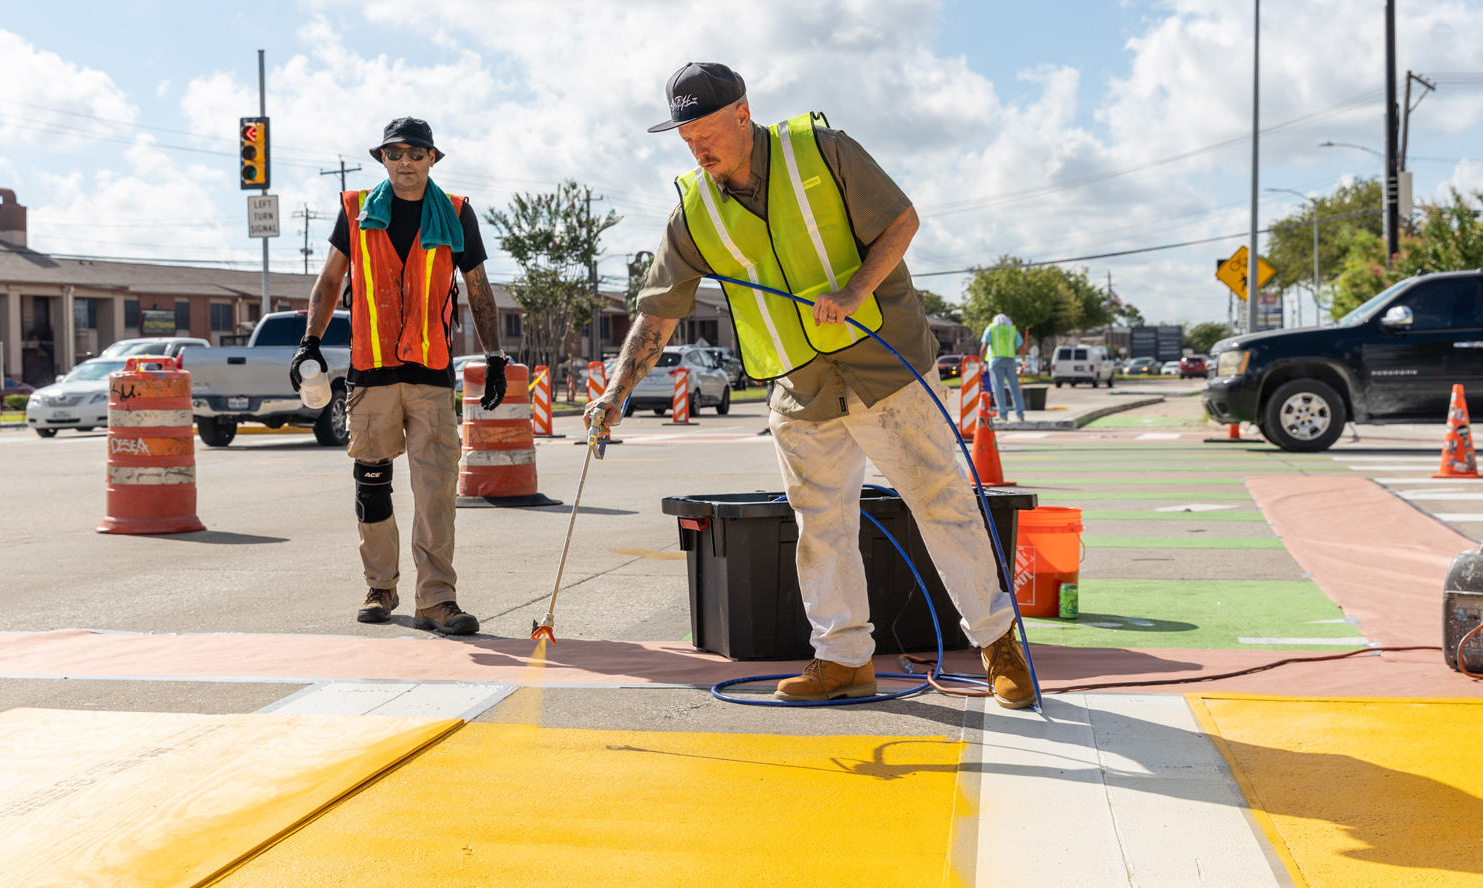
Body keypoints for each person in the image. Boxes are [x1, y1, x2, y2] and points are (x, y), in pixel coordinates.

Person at [584, 63, 1036, 708]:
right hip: (800, 386)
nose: (697, 148)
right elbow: (658, 311)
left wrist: (854, 291)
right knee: (820, 523)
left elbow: (901, 221)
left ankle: (998, 646)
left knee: (942, 502)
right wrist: (615, 393)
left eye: (706, 132)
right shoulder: (695, 210)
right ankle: (843, 659)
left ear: (743, 114)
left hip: (885, 367)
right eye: (685, 138)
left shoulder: (823, 152)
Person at [290, 117, 507, 636]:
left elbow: (478, 287)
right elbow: (330, 280)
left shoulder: (456, 212)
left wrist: (496, 356)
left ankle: (437, 600)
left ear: (432, 158)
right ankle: (379, 588)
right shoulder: (356, 210)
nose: (405, 161)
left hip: (431, 373)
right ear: (382, 158)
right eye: (395, 153)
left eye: (415, 152)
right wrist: (309, 342)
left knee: (436, 492)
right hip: (371, 373)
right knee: (373, 487)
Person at [982, 313, 1025, 422]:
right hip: (1010, 361)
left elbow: (984, 346)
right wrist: (1023, 360)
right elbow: (1021, 346)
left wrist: (981, 362)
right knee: (1014, 388)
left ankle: (1003, 415)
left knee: (998, 389)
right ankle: (1020, 414)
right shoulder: (1012, 329)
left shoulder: (991, 329)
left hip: (996, 362)